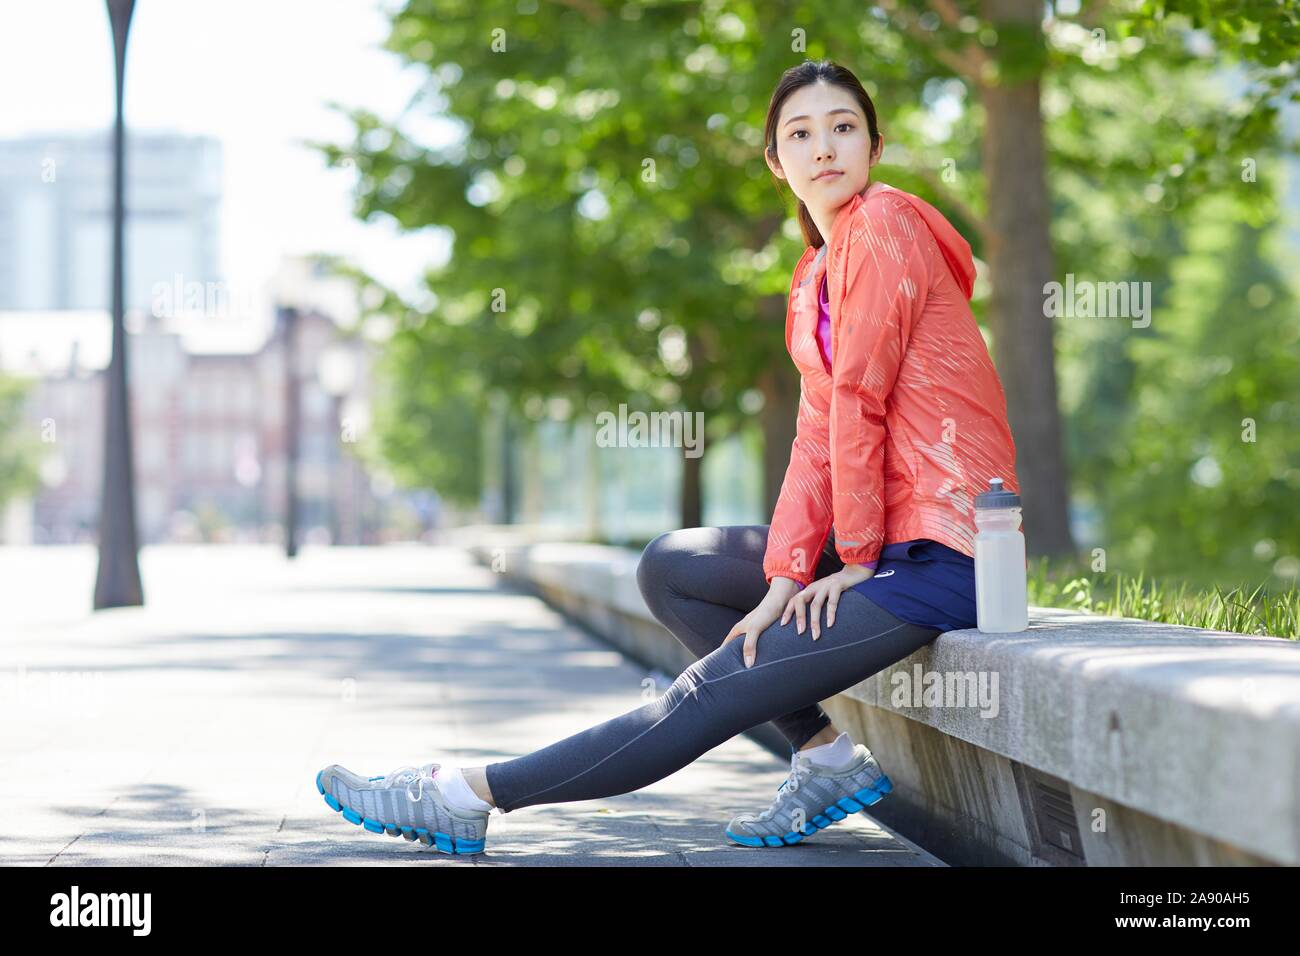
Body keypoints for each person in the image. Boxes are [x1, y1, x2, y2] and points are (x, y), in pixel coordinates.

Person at [315, 58, 1020, 854]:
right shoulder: (815, 271)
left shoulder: (886, 226)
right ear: (775, 161)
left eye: (843, 128)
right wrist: (786, 579)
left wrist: (852, 560)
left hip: (940, 554)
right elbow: (816, 440)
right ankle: (825, 759)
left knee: (705, 692)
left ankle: (466, 793)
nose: (824, 146)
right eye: (801, 133)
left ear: (874, 145)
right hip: (883, 540)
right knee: (674, 566)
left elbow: (859, 398)